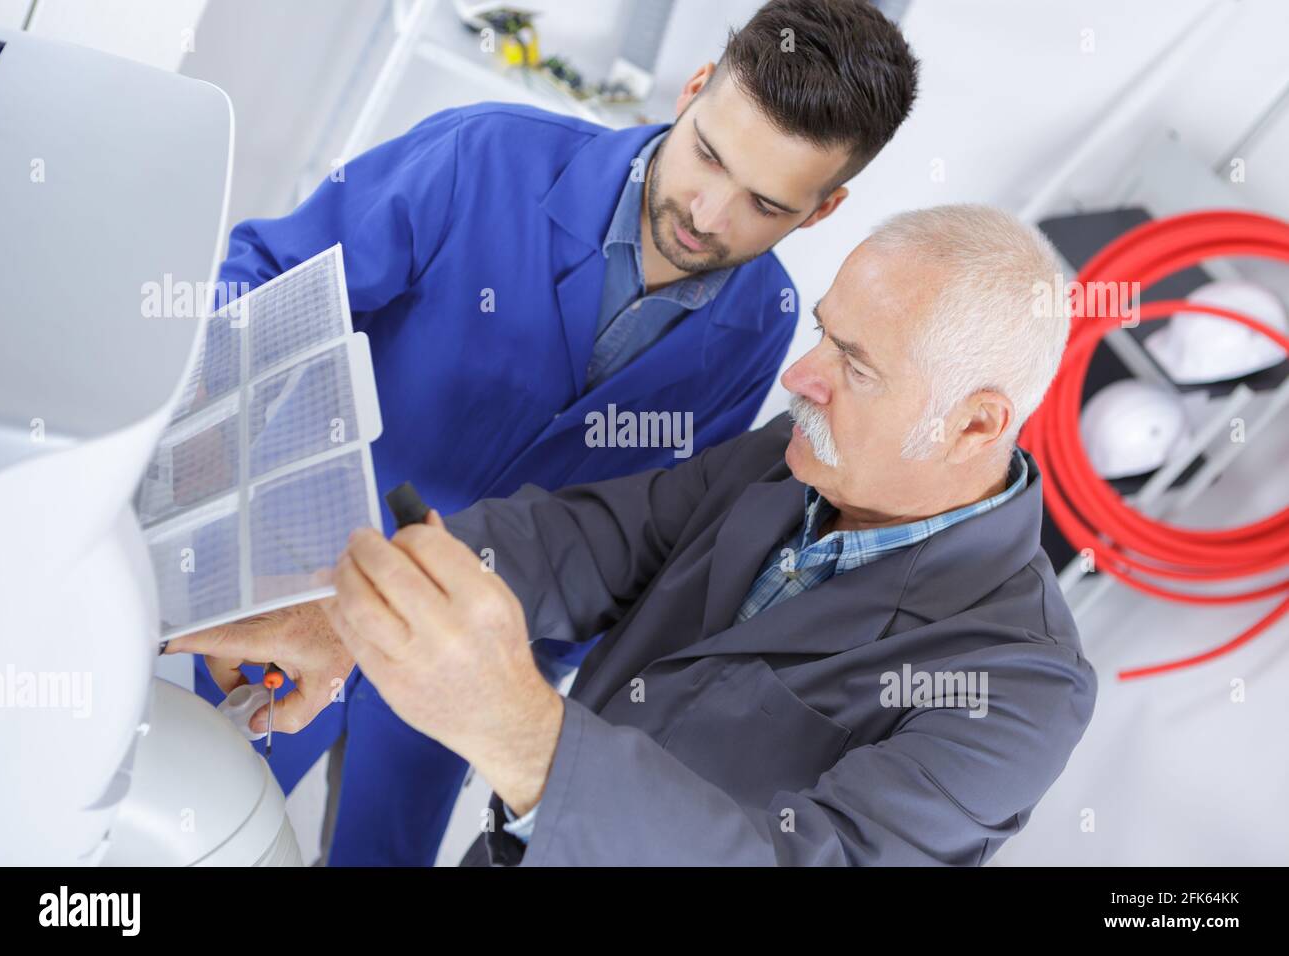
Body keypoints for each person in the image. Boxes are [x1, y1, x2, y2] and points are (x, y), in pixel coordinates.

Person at [186, 0, 921, 865]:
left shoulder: (766, 324)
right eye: (708, 155)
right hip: (298, 581)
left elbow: (654, 530)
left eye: (763, 202)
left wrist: (537, 677)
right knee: (194, 815)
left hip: (474, 649)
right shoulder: (482, 155)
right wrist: (212, 518)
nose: (708, 214)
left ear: (823, 209)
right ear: (692, 91)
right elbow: (264, 289)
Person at [170, 203, 1098, 866]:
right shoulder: (791, 457)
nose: (799, 379)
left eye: (853, 365)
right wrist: (358, 606)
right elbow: (585, 541)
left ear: (976, 425)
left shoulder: (1021, 684)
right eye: (823, 335)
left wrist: (523, 735)